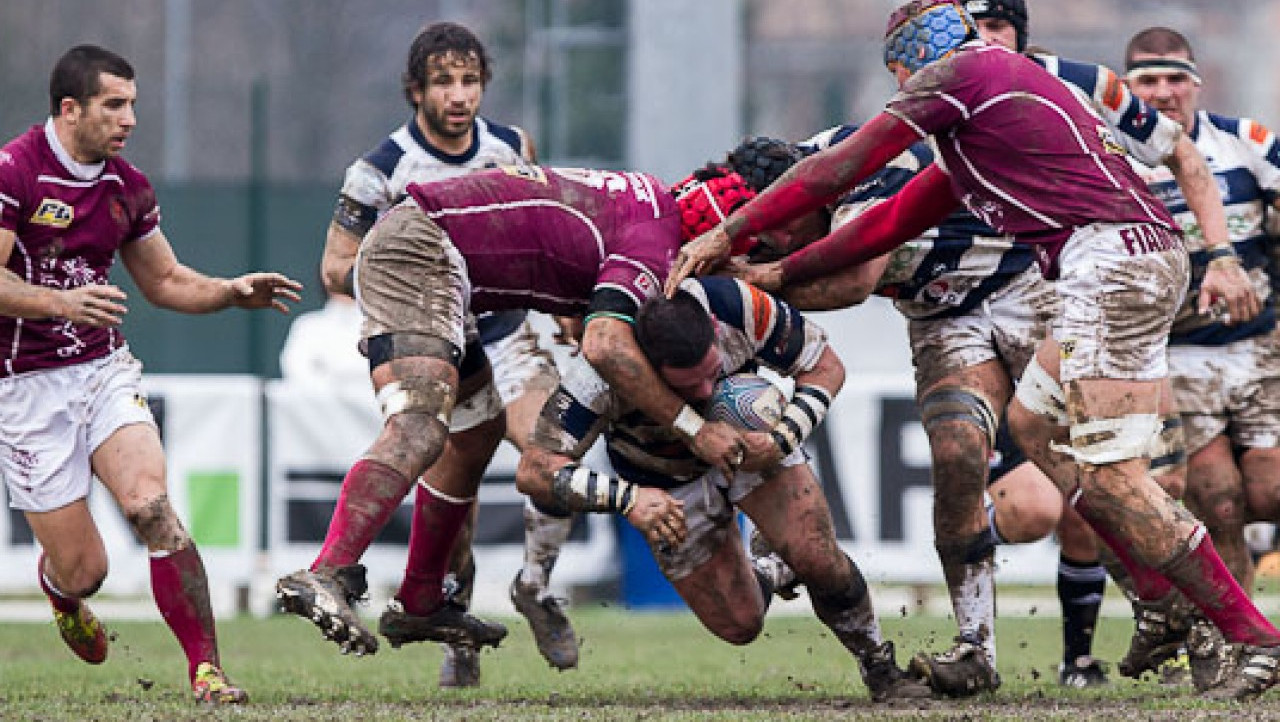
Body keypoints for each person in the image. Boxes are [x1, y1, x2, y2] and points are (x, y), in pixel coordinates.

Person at [669, 0, 1280, 702]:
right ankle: (1163, 602)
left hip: (1106, 264)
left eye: (902, 81)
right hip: (1134, 255)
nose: (904, 97)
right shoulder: (988, 109)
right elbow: (898, 218)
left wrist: (725, 235)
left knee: (1114, 478)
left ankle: (1249, 633)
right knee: (1034, 426)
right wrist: (778, 274)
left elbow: (840, 170)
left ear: (910, 66)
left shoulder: (961, 73)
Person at [277, 165, 747, 661]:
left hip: (450, 268)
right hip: (419, 251)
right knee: (418, 427)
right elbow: (604, 342)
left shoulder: (643, 206)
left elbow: (566, 255)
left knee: (478, 432)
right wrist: (694, 428)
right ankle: (328, 571)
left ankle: (421, 599)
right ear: (711, 234)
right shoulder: (658, 239)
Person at [0, 44, 302, 705]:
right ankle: (61, 591)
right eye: (115, 104)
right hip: (21, 386)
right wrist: (58, 301)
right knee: (87, 570)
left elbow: (163, 280)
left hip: (102, 368)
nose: (130, 117)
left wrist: (230, 290)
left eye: (133, 103)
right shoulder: (14, 171)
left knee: (150, 506)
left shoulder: (126, 188)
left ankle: (207, 670)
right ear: (69, 108)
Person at [515, 274, 932, 702]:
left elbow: (826, 366)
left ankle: (880, 666)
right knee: (740, 624)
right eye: (686, 386)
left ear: (714, 332)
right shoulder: (601, 372)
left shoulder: (737, 306)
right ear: (648, 370)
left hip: (748, 447)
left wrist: (780, 440)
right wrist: (629, 499)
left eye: (712, 373)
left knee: (817, 556)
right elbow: (535, 471)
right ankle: (772, 568)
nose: (706, 391)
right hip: (664, 481)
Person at [318, 21, 574, 685]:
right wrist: (410, 283)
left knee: (549, 451)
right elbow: (333, 267)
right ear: (416, 91)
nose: (458, 95)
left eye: (469, 81)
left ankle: (537, 586)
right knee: (450, 488)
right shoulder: (380, 168)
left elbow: (539, 224)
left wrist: (564, 307)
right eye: (443, 83)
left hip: (508, 323)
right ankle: (450, 628)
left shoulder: (511, 145)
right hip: (435, 336)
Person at [1121, 25, 1280, 686]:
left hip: (1263, 350)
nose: (1163, 92)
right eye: (1147, 81)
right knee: (1217, 503)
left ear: (1195, 81)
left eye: (1174, 78)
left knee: (1268, 490)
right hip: (1178, 359)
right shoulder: (1110, 160)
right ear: (1126, 90)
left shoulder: (1249, 143)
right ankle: (1248, 649)